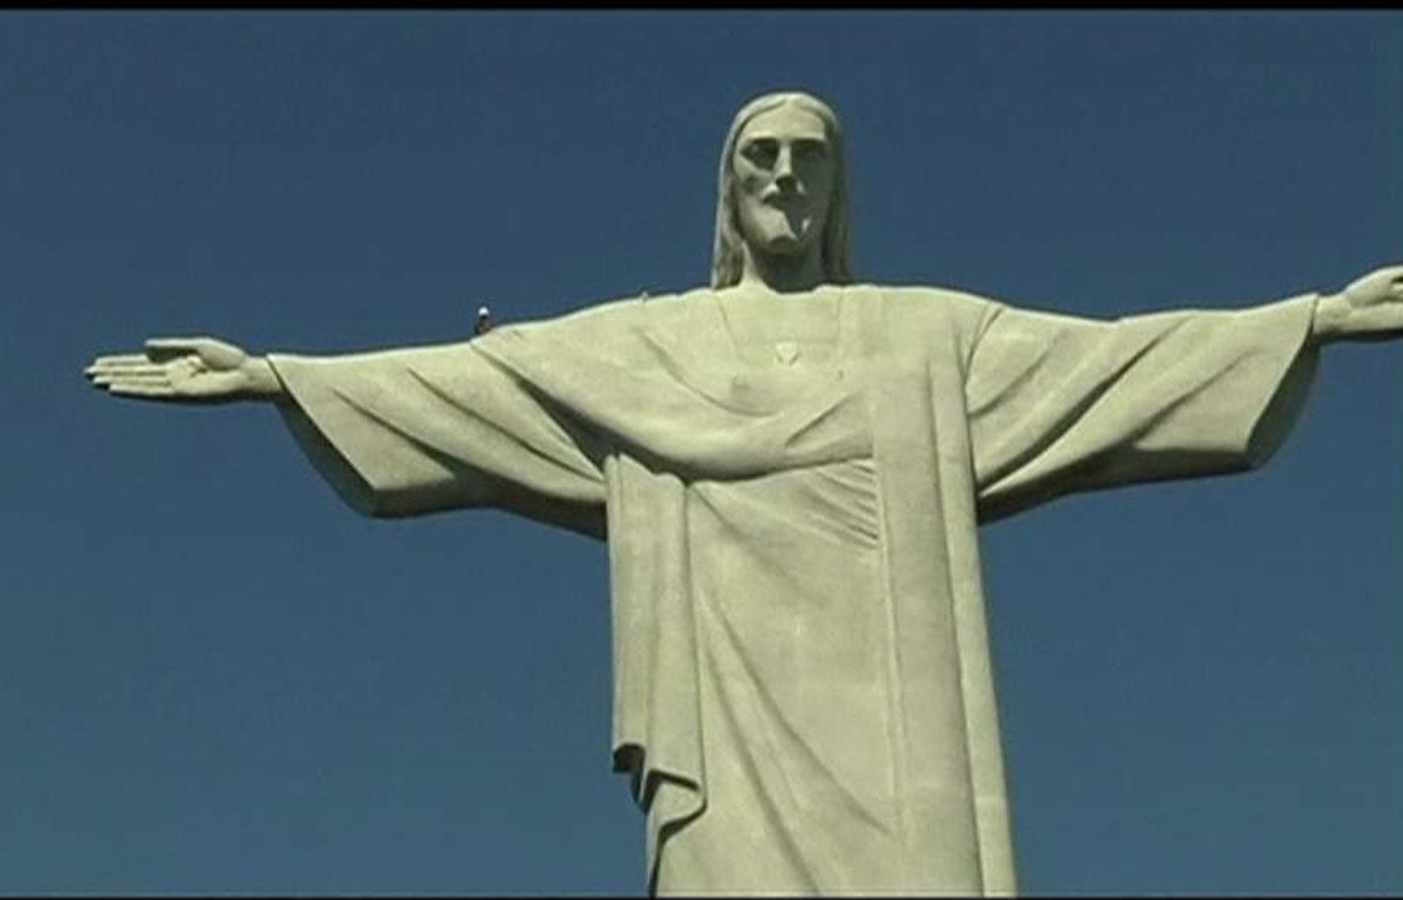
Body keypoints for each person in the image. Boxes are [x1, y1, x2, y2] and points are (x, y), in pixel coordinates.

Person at [85, 91, 1402, 896]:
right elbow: (476, 391)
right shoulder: (649, 346)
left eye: (807, 159)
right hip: (725, 740)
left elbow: (1108, 362)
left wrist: (1312, 321)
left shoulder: (922, 337)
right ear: (730, 188)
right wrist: (276, 375)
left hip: (902, 740)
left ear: (837, 191)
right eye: (759, 158)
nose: (783, 177)